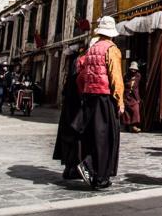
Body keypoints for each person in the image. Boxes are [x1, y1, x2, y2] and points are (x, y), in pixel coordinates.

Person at [74, 16, 124, 189]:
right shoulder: (112, 49)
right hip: (104, 97)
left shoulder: (92, 49)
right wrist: (120, 100)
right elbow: (115, 77)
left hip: (89, 97)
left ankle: (91, 168)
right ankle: (99, 175)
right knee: (106, 138)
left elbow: (83, 76)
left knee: (92, 135)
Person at [54, 52, 84, 180]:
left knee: (68, 140)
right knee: (76, 141)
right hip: (76, 114)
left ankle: (68, 168)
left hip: (68, 113)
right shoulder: (79, 76)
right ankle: (73, 169)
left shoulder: (70, 78)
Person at [120, 62, 142, 133]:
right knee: (127, 112)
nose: (133, 71)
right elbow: (122, 85)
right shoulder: (126, 76)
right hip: (126, 96)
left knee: (136, 110)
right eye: (132, 69)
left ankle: (134, 125)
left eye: (134, 69)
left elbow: (138, 86)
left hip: (134, 97)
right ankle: (128, 126)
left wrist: (138, 98)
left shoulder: (138, 76)